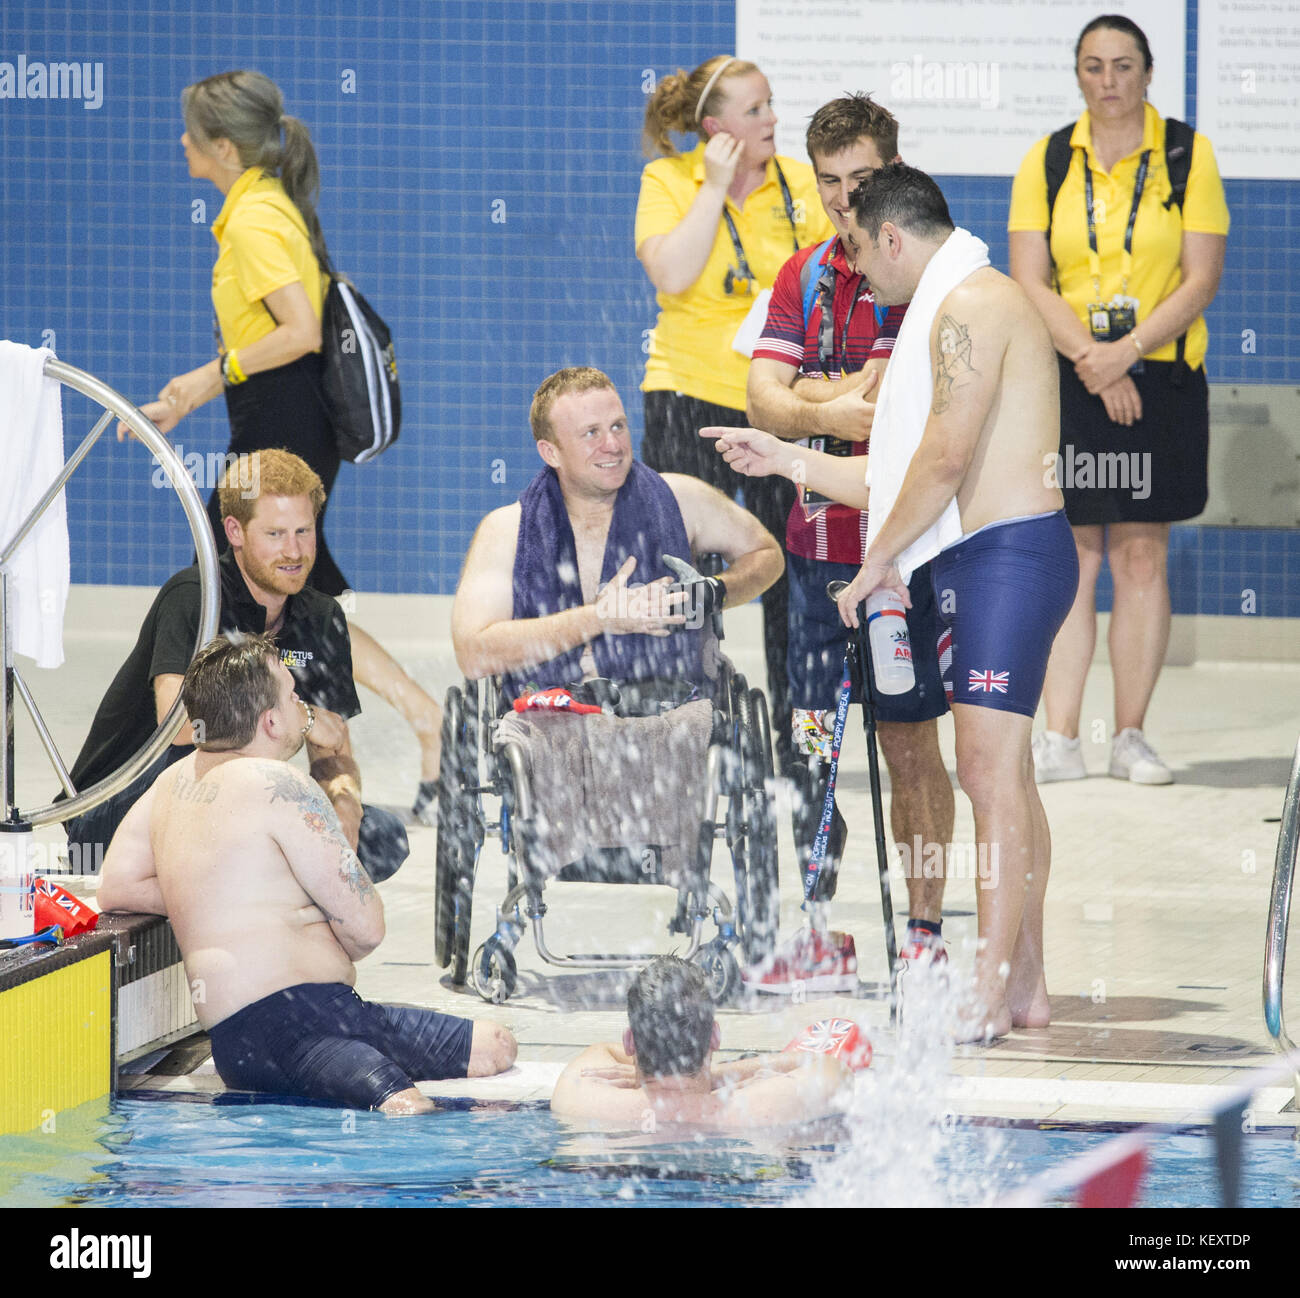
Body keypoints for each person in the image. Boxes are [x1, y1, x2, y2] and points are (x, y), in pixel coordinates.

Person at [710, 165, 1079, 1041]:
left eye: (865, 260)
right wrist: (785, 458)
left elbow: (944, 463)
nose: (864, 284)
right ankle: (1024, 984)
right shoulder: (943, 311)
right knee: (1010, 780)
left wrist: (874, 565)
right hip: (980, 558)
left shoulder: (975, 307)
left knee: (988, 777)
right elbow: (895, 475)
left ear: (893, 237)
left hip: (1009, 558)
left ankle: (986, 990)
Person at [115, 68, 442, 816]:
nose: (181, 143)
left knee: (266, 580)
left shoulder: (259, 218)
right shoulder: (263, 204)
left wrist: (209, 377)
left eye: (192, 134)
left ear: (224, 147)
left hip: (282, 419)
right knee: (302, 592)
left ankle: (383, 737)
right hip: (279, 417)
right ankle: (412, 724)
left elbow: (295, 330)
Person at [96, 633, 517, 1112]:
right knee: (407, 1108)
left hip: (238, 1045)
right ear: (271, 721)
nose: (303, 705)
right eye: (294, 695)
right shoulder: (282, 785)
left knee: (494, 1045)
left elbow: (116, 888)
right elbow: (367, 928)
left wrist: (214, 895)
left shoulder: (172, 782)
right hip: (307, 1026)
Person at [744, 93, 954, 990]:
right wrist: (834, 400)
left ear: (892, 172)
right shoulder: (805, 274)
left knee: (908, 744)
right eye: (827, 180)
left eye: (859, 179)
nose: (841, 198)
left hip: (905, 553)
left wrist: (814, 401)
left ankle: (926, 935)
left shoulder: (925, 273)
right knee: (811, 741)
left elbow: (895, 414)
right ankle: (820, 927)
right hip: (812, 546)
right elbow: (763, 401)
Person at [1008, 15, 1229, 786]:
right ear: (1077, 75)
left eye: (1124, 66)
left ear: (1147, 72)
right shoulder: (1046, 160)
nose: (1109, 81)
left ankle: (1130, 736)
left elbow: (1200, 277)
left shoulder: (1184, 154)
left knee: (1140, 553)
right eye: (1094, 67)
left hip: (1159, 376)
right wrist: (1092, 361)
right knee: (1072, 553)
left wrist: (1126, 355)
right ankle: (1060, 738)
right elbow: (1030, 276)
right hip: (1069, 375)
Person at [61, 450, 407, 881]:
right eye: (276, 533)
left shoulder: (321, 617)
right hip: (120, 804)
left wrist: (344, 810)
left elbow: (334, 749)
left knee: (381, 837)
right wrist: (299, 717)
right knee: (246, 826)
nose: (294, 550)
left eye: (304, 530)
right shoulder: (194, 596)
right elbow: (184, 728)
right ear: (235, 531)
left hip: (232, 801)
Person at [635, 55, 834, 767]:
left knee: (803, 574)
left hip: (783, 403)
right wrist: (713, 188)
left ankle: (807, 740)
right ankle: (684, 728)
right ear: (715, 127)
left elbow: (836, 277)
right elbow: (672, 272)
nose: (773, 120)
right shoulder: (671, 180)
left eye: (772, 104)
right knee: (680, 570)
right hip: (687, 394)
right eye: (755, 111)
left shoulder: (804, 185)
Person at [452, 367, 784, 694]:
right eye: (591, 433)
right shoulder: (508, 529)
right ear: (550, 451)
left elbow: (767, 554)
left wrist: (714, 592)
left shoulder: (681, 499)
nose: (612, 444)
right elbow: (473, 655)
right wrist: (598, 619)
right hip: (547, 712)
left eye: (617, 426)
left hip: (669, 706)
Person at [551, 956, 848, 1127]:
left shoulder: (579, 1099)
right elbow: (835, 1069)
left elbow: (599, 1051)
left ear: (630, 1042)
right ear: (715, 1037)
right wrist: (723, 1075)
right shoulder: (752, 1109)